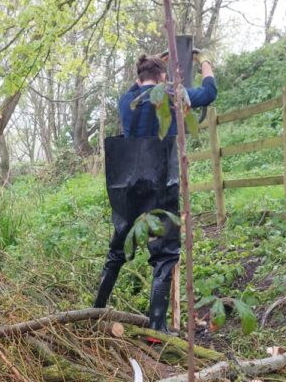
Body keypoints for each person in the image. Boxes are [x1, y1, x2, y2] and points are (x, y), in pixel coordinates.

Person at [93, 52, 217, 332]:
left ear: (139, 79)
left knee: (116, 251)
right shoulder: (173, 97)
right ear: (163, 78)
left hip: (127, 187)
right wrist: (205, 62)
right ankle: (157, 328)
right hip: (160, 182)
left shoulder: (126, 101)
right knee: (165, 254)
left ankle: (94, 310)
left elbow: (136, 88)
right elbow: (209, 93)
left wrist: (152, 65)